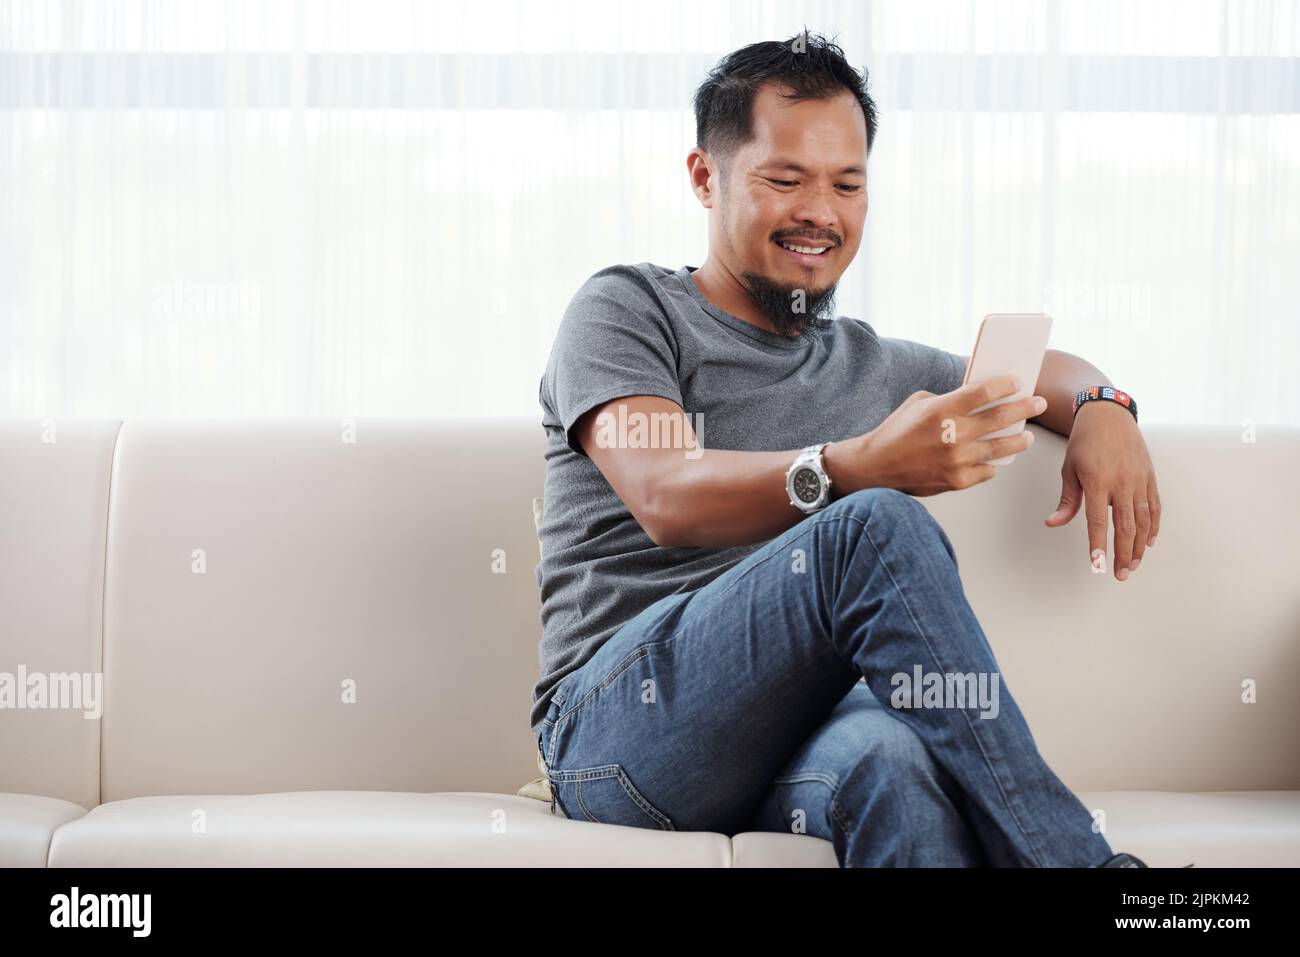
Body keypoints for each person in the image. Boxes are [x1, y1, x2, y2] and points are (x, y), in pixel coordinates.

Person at [529, 32, 1161, 867]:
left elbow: (1047, 376)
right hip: (619, 732)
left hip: (787, 735)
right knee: (872, 525)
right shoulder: (627, 309)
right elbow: (665, 494)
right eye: (784, 179)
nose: (820, 212)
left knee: (894, 766)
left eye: (847, 184)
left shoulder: (872, 366)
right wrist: (855, 466)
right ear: (704, 177)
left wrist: (1105, 407)